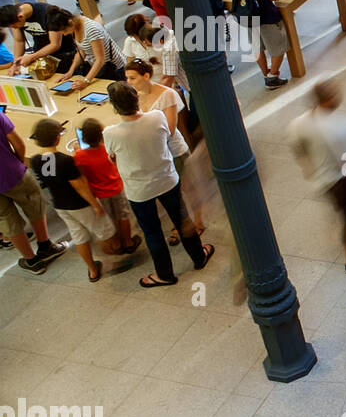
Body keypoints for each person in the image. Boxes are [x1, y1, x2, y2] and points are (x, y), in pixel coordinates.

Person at [102, 81, 211, 287]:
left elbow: (112, 157)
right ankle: (199, 256)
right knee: (182, 219)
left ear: (114, 106)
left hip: (139, 190)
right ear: (136, 98)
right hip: (167, 179)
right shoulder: (156, 117)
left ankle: (165, 274)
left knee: (152, 232)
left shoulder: (110, 133)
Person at [287, 80, 346, 275]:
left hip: (323, 181)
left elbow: (297, 146)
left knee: (342, 206)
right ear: (327, 100)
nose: (337, 94)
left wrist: (307, 165)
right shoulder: (344, 124)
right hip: (343, 180)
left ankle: (345, 212)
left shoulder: (300, 123)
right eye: (333, 93)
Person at [24, 119, 116, 282]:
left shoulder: (37, 160)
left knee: (79, 236)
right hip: (79, 205)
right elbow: (80, 186)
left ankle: (92, 270)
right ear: (57, 138)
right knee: (104, 229)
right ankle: (115, 253)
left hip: (60, 205)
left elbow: (51, 175)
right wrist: (95, 205)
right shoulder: (66, 161)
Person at [123, 57, 204, 240]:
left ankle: (197, 221)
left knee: (187, 187)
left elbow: (170, 127)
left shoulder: (167, 94)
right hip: (154, 153)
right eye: (127, 78)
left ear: (146, 75)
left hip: (174, 150)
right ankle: (181, 222)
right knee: (170, 192)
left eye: (133, 78)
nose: (129, 82)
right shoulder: (134, 95)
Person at [72, 118, 138, 257]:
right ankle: (128, 242)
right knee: (123, 215)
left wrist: (77, 150)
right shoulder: (108, 148)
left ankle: (116, 245)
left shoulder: (80, 155)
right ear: (101, 134)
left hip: (100, 194)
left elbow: (81, 173)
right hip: (117, 188)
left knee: (109, 219)